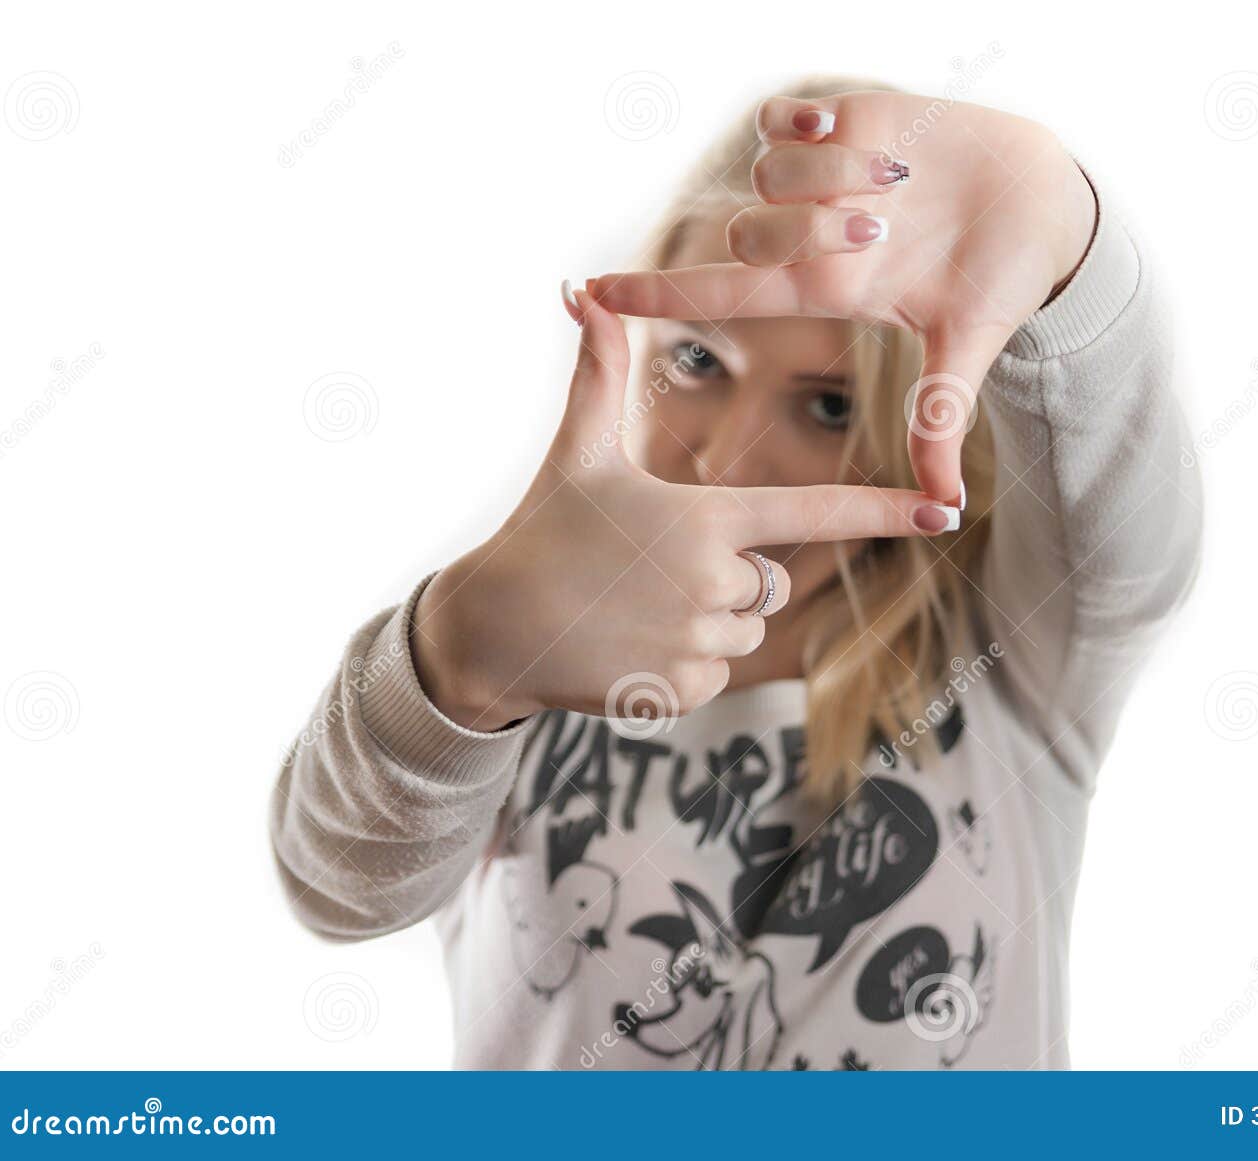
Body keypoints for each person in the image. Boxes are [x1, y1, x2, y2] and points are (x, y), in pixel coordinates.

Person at [270, 78, 1202, 1069]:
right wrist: (454, 662)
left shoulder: (1011, 666)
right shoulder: (523, 660)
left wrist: (1063, 242)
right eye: (701, 364)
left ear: (917, 432)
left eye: (831, 407)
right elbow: (336, 886)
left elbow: (1125, 517)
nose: (728, 464)